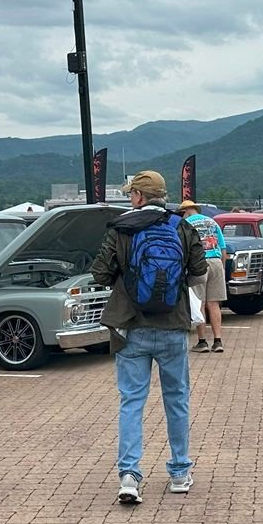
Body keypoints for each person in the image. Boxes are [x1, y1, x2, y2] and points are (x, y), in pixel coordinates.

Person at [90, 170, 209, 504]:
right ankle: (180, 472)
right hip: (172, 326)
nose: (130, 199)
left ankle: (129, 476)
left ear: (140, 197)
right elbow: (199, 271)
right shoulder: (182, 226)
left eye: (131, 194)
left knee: (131, 401)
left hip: (132, 327)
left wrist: (129, 276)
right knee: (177, 400)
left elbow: (100, 274)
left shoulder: (121, 229)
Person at [179, 199, 226, 353]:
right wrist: (221, 266)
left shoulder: (186, 224)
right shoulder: (212, 222)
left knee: (200, 302)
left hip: (199, 264)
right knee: (214, 303)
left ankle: (202, 341)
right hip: (216, 261)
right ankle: (218, 341)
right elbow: (223, 247)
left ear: (185, 211)